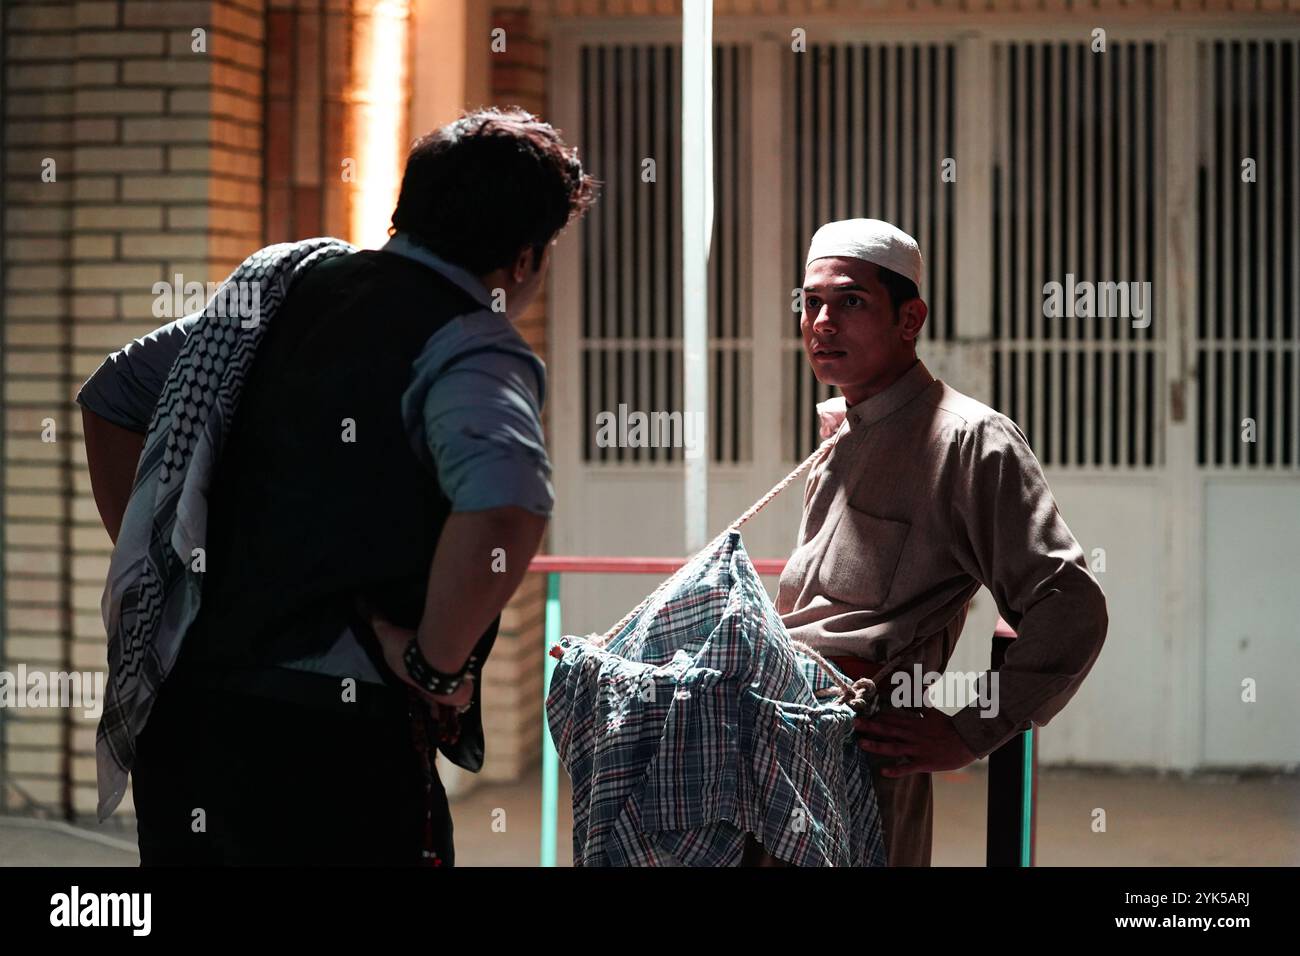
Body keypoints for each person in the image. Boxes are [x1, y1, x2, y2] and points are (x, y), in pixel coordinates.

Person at [78, 108, 597, 865]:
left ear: (406, 210)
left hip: (190, 717)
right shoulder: (470, 342)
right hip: (330, 748)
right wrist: (434, 663)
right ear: (523, 260)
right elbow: (507, 507)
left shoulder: (280, 288)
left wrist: (184, 569)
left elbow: (113, 398)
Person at [777, 218, 1108, 866]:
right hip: (784, 754)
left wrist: (970, 730)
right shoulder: (845, 431)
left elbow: (1069, 604)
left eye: (850, 302)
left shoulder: (968, 441)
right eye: (811, 302)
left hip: (864, 765)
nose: (822, 323)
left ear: (910, 319)